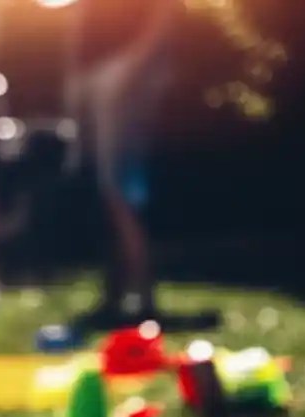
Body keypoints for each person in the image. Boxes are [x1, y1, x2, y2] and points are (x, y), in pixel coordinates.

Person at [69, 0, 216, 331]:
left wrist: (137, 61)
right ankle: (115, 296)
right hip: (89, 68)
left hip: (125, 64)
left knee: (119, 184)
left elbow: (165, 9)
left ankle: (143, 299)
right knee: (101, 189)